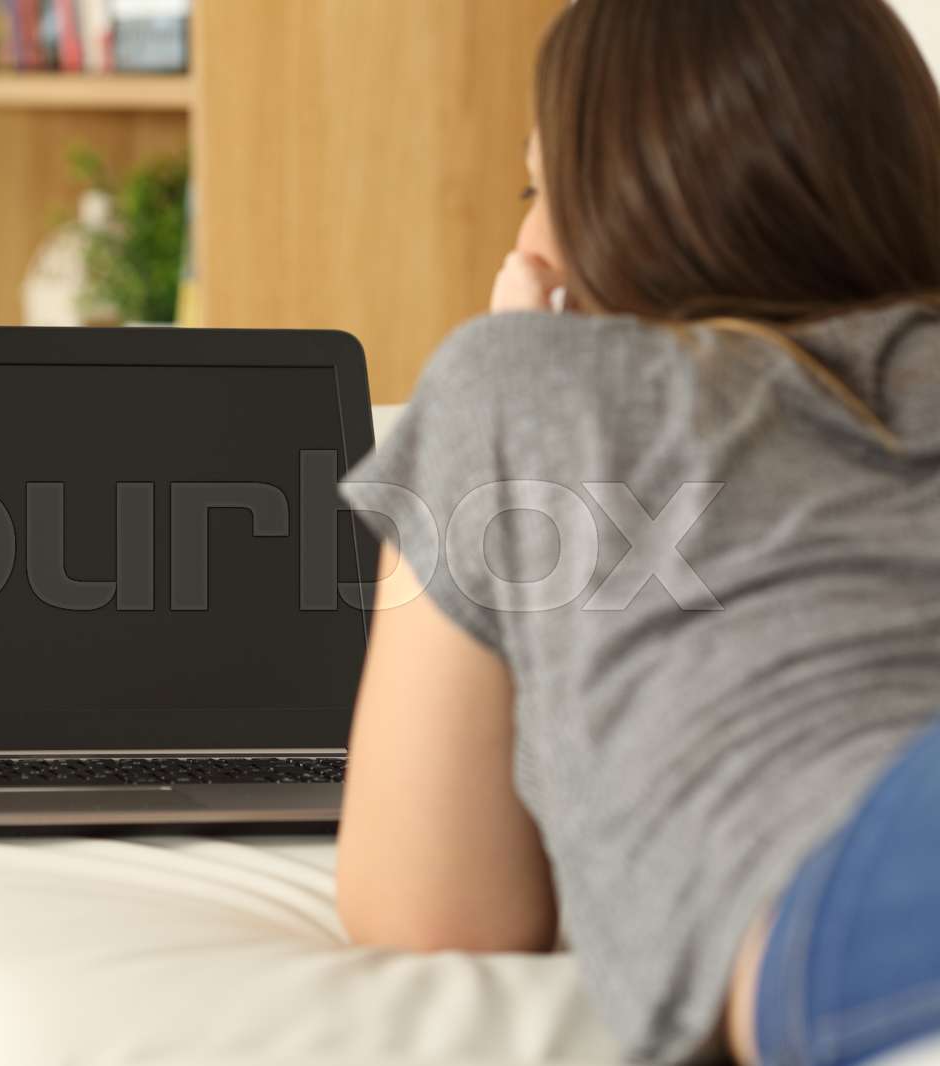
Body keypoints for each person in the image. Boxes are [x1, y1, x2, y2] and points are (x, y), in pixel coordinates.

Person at [335, 3, 940, 1065]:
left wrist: (495, 390)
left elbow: (431, 909)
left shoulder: (524, 377)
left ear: (621, 209)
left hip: (867, 883)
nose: (520, 234)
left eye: (537, 191)